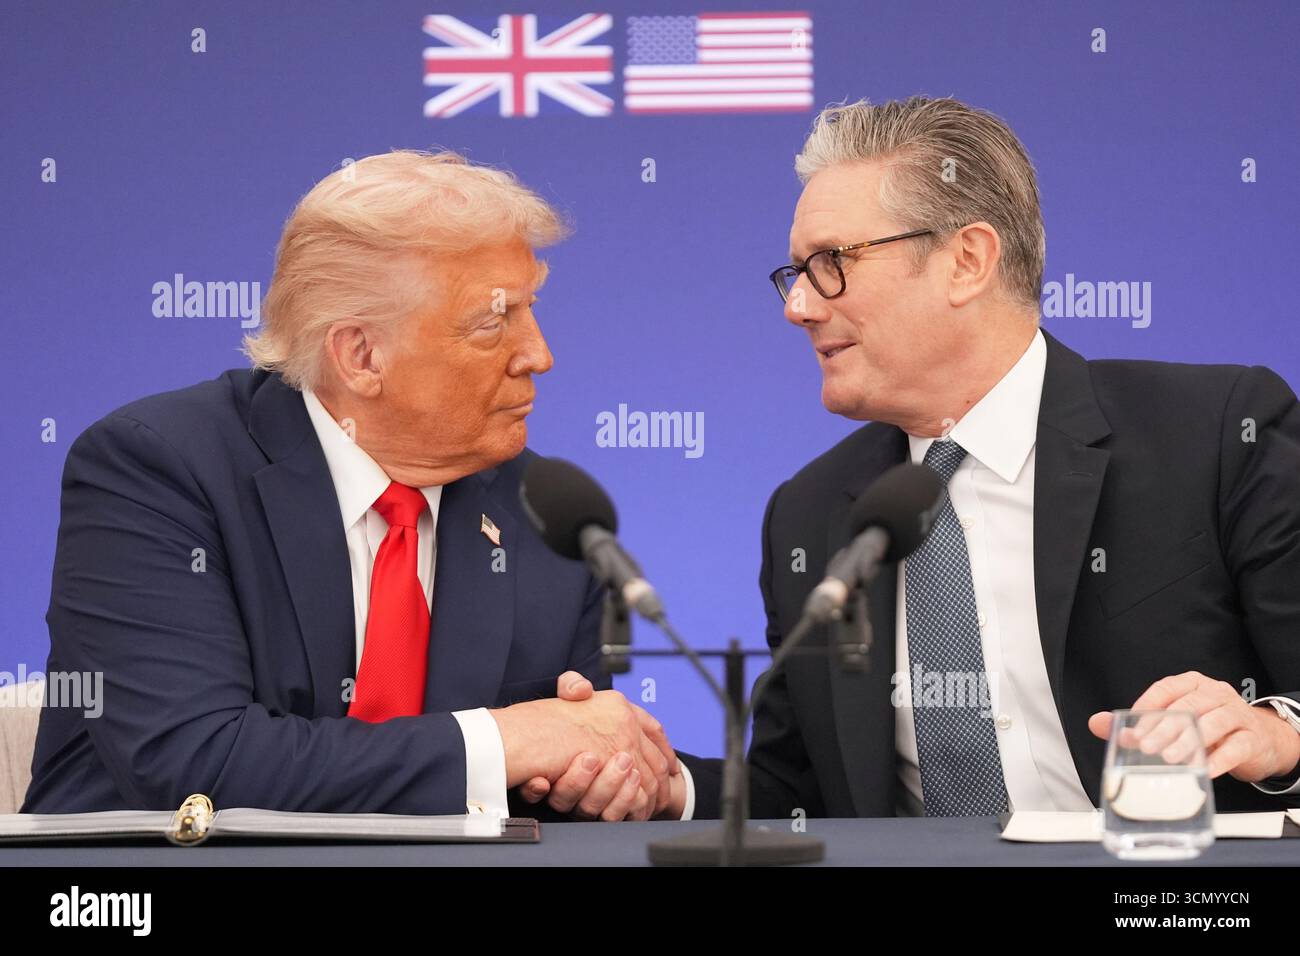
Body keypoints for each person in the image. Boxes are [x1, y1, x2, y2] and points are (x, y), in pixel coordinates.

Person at [549, 95, 1300, 821]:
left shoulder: (1214, 436)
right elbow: (800, 795)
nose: (799, 306)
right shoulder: (809, 514)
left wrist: (1278, 736)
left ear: (967, 261)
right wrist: (664, 784)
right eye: (795, 273)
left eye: (830, 263)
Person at [23, 150, 685, 821]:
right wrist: (506, 738)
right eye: (495, 320)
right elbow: (196, 764)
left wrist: (603, 775)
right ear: (361, 355)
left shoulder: (547, 513)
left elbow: (556, 782)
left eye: (531, 309)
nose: (539, 354)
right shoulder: (158, 468)